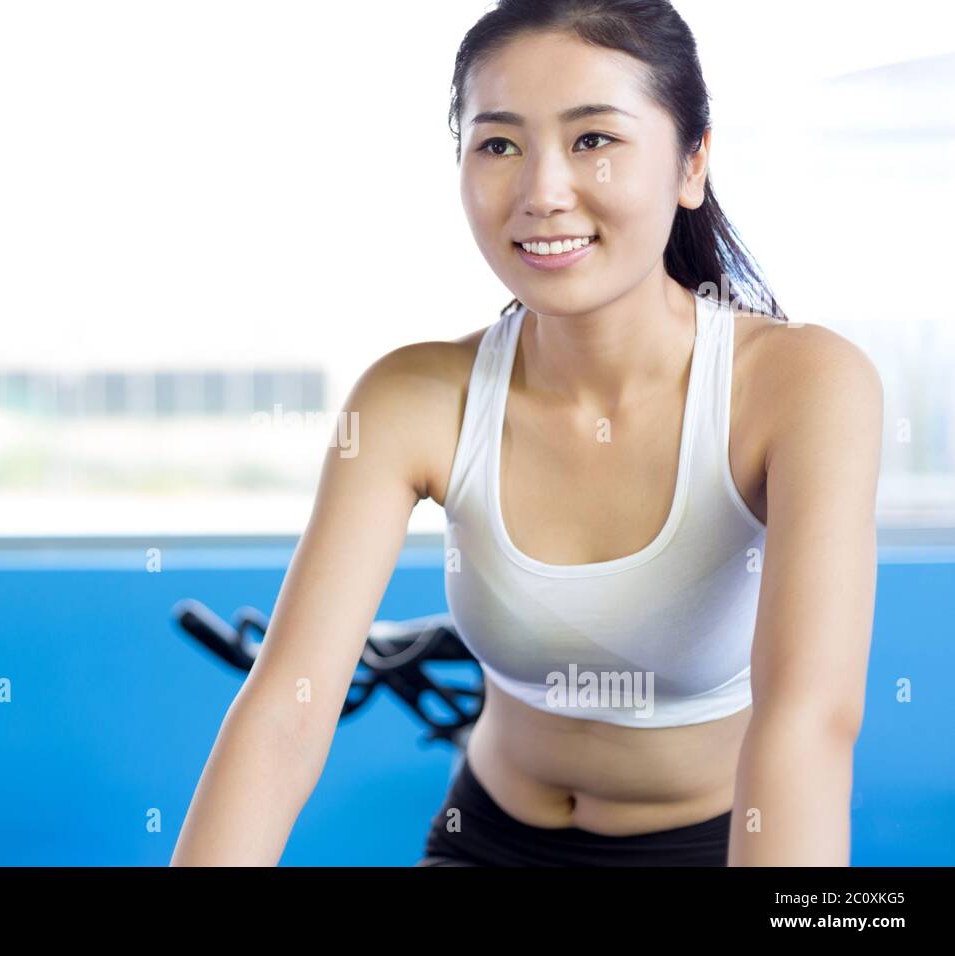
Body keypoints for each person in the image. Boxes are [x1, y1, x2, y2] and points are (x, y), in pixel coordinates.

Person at [171, 0, 881, 867]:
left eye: (594, 140)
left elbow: (808, 720)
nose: (543, 192)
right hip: (490, 837)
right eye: (499, 144)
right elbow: (286, 705)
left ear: (692, 162)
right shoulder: (411, 396)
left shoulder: (805, 385)